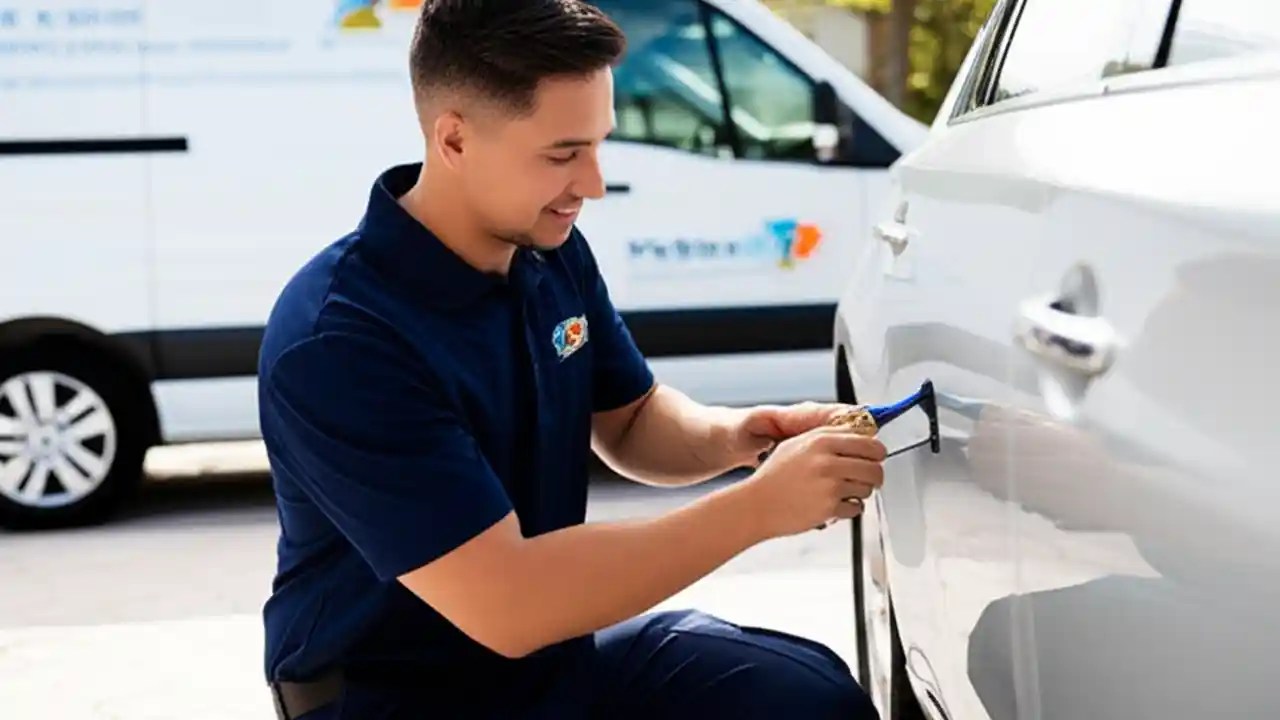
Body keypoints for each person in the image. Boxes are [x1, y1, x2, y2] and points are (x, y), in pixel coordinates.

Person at [257, 1, 886, 717]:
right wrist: (759, 509)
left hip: (550, 664)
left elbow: (631, 418)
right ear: (455, 139)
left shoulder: (547, 250)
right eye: (563, 154)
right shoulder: (341, 341)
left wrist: (741, 438)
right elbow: (510, 603)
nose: (591, 183)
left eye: (597, 145)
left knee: (803, 694)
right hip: (400, 697)